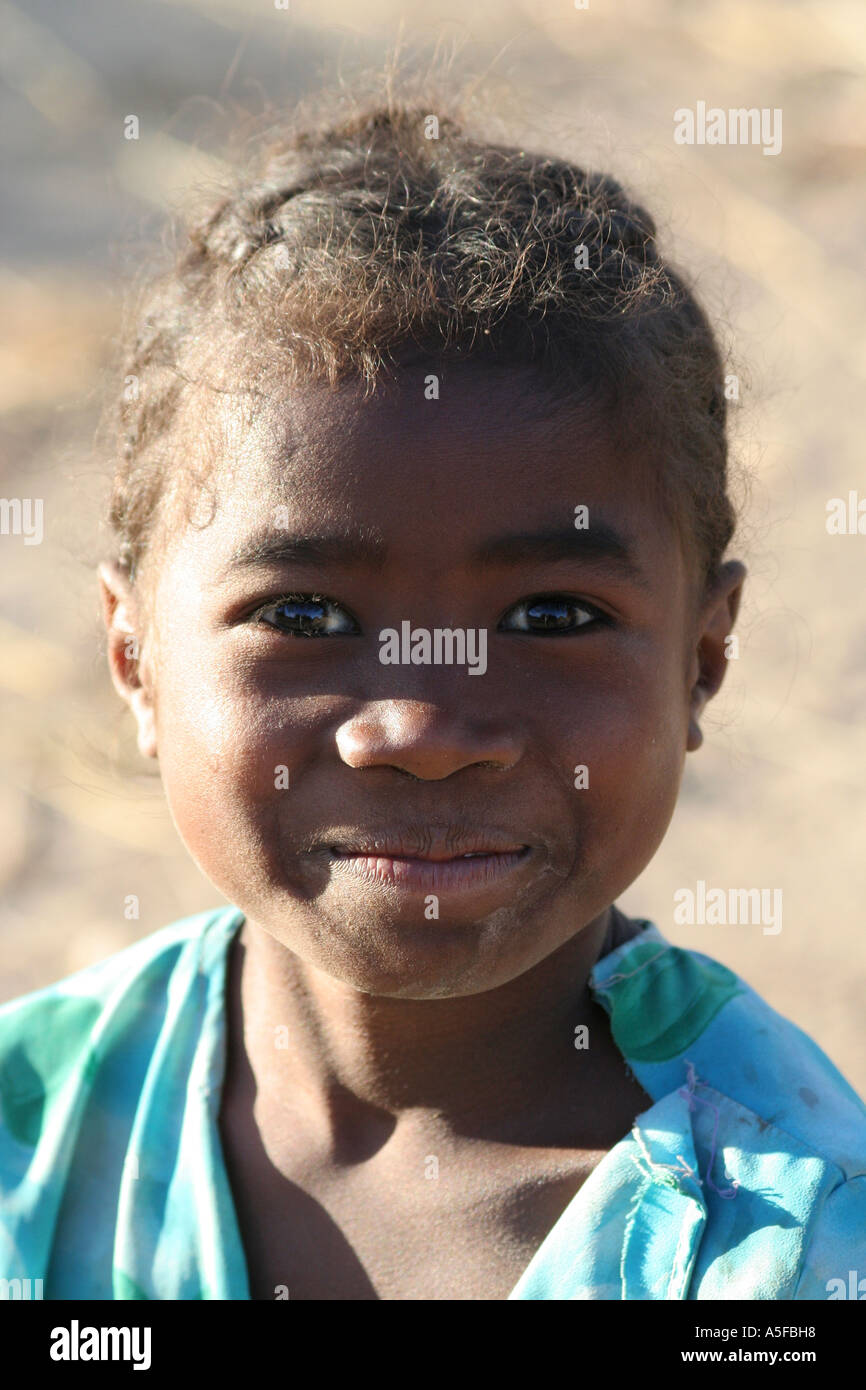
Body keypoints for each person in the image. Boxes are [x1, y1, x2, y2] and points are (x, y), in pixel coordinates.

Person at [1, 83, 864, 1301]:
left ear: (699, 662)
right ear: (134, 657)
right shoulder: (32, 1136)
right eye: (302, 615)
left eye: (550, 615)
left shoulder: (793, 1249)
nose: (420, 731)